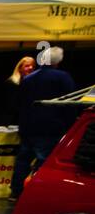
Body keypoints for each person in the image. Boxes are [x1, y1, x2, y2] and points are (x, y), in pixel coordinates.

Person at [12, 46, 79, 200]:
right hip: (51, 127)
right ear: (58, 61)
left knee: (23, 159)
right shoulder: (63, 77)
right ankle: (36, 193)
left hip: (28, 127)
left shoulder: (29, 78)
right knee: (43, 161)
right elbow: (70, 103)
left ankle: (16, 192)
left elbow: (19, 103)